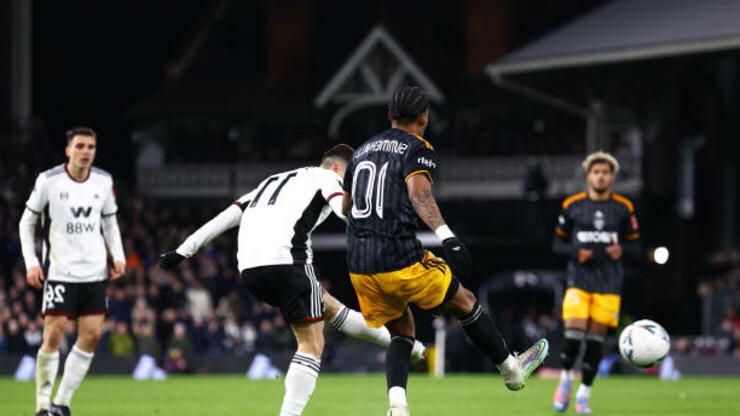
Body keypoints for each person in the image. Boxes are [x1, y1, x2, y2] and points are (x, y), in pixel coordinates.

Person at [159, 144, 422, 416]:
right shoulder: (327, 177)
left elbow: (226, 216)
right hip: (288, 263)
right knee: (312, 344)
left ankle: (408, 345)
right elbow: (346, 212)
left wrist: (182, 251)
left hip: (249, 270)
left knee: (328, 307)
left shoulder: (270, 182)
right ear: (336, 168)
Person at [341, 86, 549, 416]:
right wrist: (447, 237)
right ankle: (512, 370)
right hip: (399, 258)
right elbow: (419, 195)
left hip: (360, 264)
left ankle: (398, 406)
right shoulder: (417, 147)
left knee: (402, 328)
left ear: (389, 116)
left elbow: (346, 206)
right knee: (464, 301)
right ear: (424, 118)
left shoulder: (362, 150)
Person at [19, 127, 126, 416]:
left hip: (94, 272)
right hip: (60, 270)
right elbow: (26, 222)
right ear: (68, 150)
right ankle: (42, 405)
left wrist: (118, 255)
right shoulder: (49, 181)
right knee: (53, 335)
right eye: (80, 146)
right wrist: (31, 261)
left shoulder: (103, 181)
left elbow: (109, 222)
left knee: (91, 335)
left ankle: (61, 402)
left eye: (91, 146)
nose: (85, 151)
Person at [551, 151, 641, 414]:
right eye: (596, 172)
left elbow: (637, 247)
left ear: (612, 177)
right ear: (588, 175)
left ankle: (583, 396)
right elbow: (557, 244)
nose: (600, 176)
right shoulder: (572, 205)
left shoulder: (624, 207)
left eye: (605, 172)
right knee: (573, 336)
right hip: (579, 280)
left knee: (594, 343)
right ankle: (566, 379)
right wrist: (575, 253)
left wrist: (622, 249)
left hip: (609, 284)